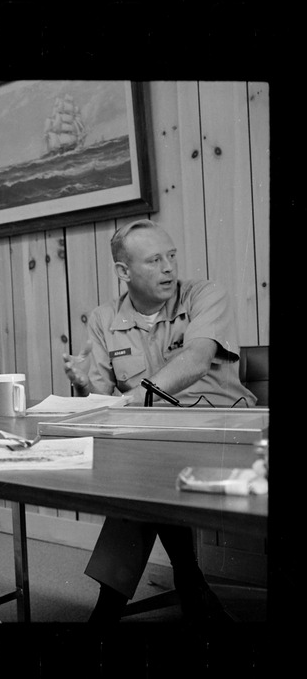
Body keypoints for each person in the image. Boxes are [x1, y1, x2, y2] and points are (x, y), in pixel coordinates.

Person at [62, 218, 256, 625]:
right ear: (123, 272)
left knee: (143, 471)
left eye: (171, 256)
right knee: (142, 466)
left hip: (220, 425)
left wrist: (136, 395)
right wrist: (82, 386)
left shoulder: (205, 295)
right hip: (150, 435)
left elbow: (198, 358)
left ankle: (110, 606)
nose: (169, 267)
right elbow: (101, 401)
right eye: (154, 260)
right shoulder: (102, 318)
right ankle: (190, 579)